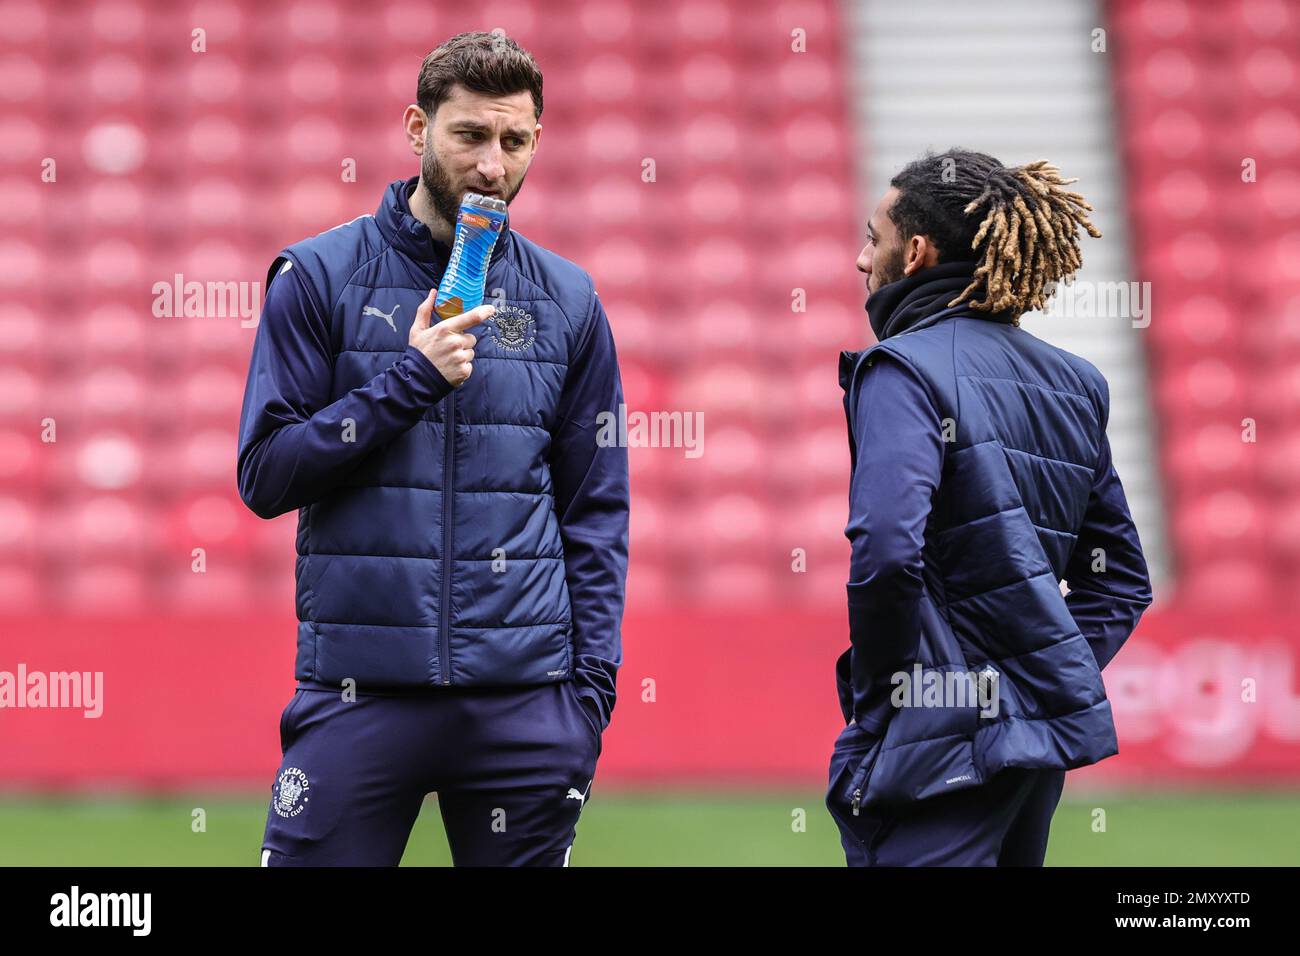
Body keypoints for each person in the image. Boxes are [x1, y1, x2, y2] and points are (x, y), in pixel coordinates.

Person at [237, 32, 628, 867]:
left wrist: (587, 696)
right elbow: (267, 474)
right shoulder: (317, 277)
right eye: (470, 136)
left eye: (514, 141)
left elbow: (595, 508)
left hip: (526, 703)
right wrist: (407, 381)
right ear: (417, 130)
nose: (493, 165)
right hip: (358, 691)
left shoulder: (569, 300)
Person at [826, 148, 1153, 866]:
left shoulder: (901, 370)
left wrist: (890, 693)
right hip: (1030, 754)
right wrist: (1035, 676)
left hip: (931, 740)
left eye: (871, 238)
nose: (859, 259)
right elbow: (1122, 579)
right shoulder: (1076, 382)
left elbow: (885, 550)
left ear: (913, 252)